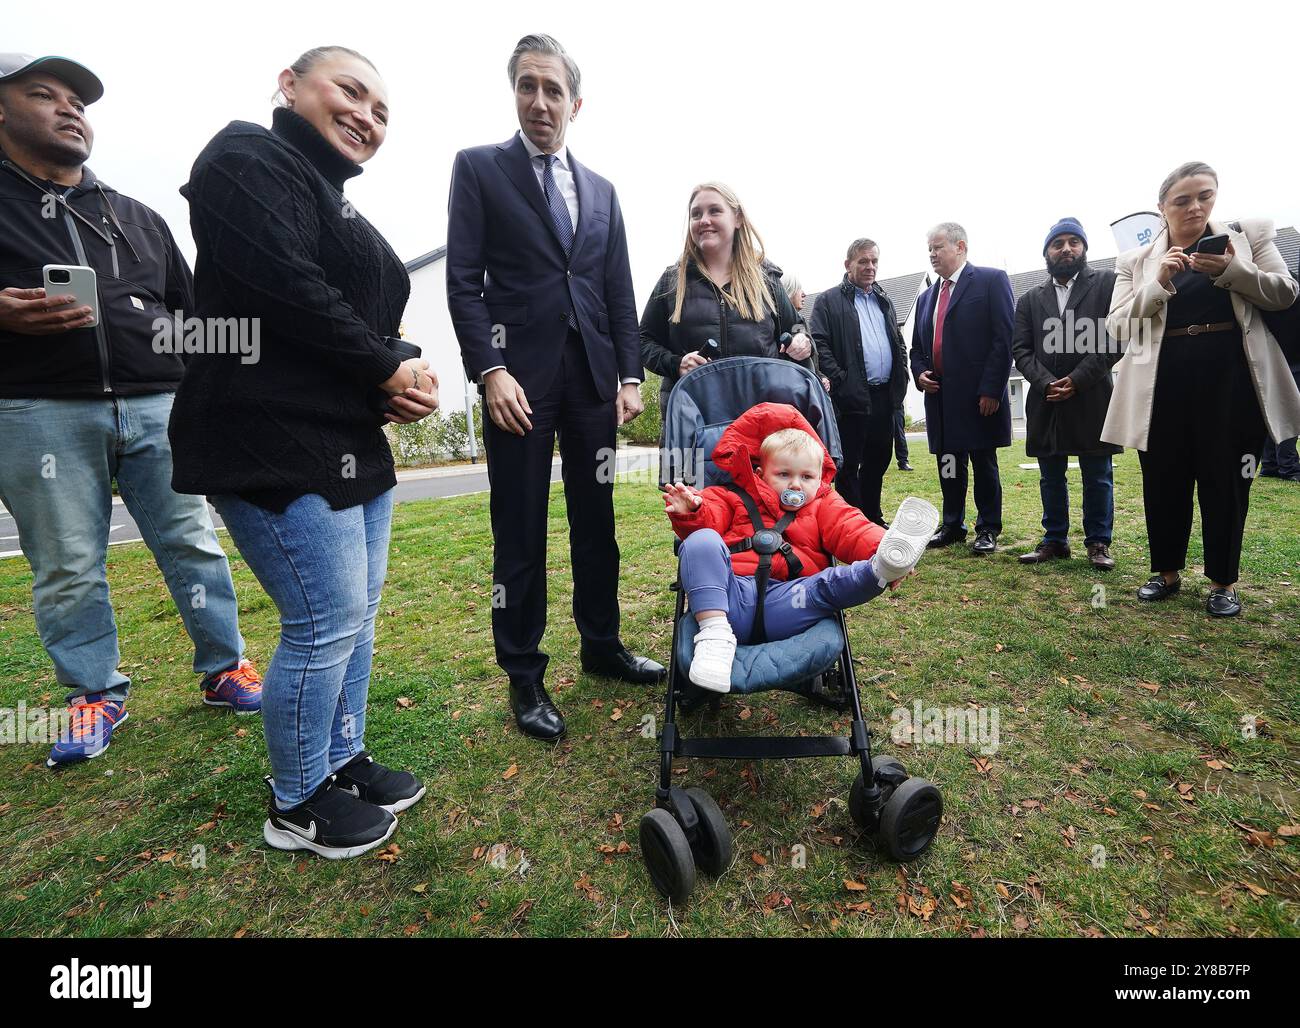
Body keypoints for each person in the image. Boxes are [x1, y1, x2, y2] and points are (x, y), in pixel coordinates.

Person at [170, 46, 438, 858]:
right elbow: (283, 287)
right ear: (290, 84)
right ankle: (296, 802)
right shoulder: (244, 156)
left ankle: (342, 758)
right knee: (320, 623)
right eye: (350, 92)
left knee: (355, 621)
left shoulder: (341, 206)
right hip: (268, 434)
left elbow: (361, 321)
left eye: (382, 112)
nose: (366, 116)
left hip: (350, 439)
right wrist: (383, 362)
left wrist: (403, 366)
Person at [0, 53, 261, 771]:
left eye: (78, 100)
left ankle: (225, 667)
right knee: (67, 564)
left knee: (190, 542)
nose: (69, 108)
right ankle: (94, 692)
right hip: (35, 412)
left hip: (157, 406)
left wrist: (211, 389)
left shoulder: (136, 216)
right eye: (44, 94)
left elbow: (193, 315)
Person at [446, 34, 664, 744]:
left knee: (596, 520)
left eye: (552, 89)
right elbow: (463, 282)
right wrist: (490, 370)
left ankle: (601, 645)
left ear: (576, 101)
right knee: (521, 528)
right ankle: (525, 674)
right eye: (527, 86)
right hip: (518, 383)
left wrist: (628, 375)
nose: (540, 101)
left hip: (593, 383)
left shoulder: (602, 191)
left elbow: (618, 290)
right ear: (515, 93)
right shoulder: (479, 170)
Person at [1103, 162, 1300, 617]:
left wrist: (1233, 269)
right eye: (1182, 200)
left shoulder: (1248, 238)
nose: (1195, 207)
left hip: (1232, 383)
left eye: (1204, 196)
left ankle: (1222, 582)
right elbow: (1116, 326)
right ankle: (1165, 572)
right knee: (1163, 480)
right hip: (1161, 387)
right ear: (1162, 209)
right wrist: (1159, 284)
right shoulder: (1135, 261)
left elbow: (1284, 293)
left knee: (1226, 483)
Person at [662, 403, 936, 690]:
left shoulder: (823, 504)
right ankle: (715, 637)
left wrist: (878, 544)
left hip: (792, 598)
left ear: (820, 477)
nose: (795, 485)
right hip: (729, 599)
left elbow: (851, 527)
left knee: (826, 584)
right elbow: (710, 516)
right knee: (700, 541)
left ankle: (884, 565)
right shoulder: (729, 495)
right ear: (760, 471)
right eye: (783, 475)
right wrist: (692, 510)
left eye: (806, 477)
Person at [639, 182, 815, 412]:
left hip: (761, 417)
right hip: (693, 417)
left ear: (738, 219)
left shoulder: (767, 279)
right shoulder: (672, 280)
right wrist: (676, 364)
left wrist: (802, 342)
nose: (704, 220)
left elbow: (797, 329)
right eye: (696, 214)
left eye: (715, 210)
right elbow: (642, 341)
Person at [1012, 218, 1121, 570]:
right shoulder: (1030, 299)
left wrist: (1077, 379)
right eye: (1058, 243)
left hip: (1092, 395)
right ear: (1047, 252)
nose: (1066, 248)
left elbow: (1116, 337)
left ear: (1085, 248)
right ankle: (1055, 539)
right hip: (1047, 400)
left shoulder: (1107, 284)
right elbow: (1022, 349)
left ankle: (1099, 542)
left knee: (1098, 473)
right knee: (1050, 473)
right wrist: (1045, 383)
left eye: (1074, 242)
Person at [909, 223, 1014, 553]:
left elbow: (1003, 339)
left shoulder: (990, 281)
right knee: (949, 463)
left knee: (984, 463)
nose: (932, 254)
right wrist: (921, 372)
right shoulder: (927, 297)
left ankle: (987, 528)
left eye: (938, 247)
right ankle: (953, 523)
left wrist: (992, 389)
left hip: (978, 397)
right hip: (941, 399)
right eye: (929, 248)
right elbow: (916, 349)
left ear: (960, 247)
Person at [810, 238, 909, 525]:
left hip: (884, 395)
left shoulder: (884, 299)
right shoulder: (828, 301)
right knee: (849, 464)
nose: (870, 267)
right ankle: (852, 523)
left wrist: (901, 371)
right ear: (848, 264)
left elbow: (897, 341)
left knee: (879, 459)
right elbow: (820, 344)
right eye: (863, 261)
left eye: (874, 261)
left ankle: (872, 517)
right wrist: (841, 380)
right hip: (851, 398)